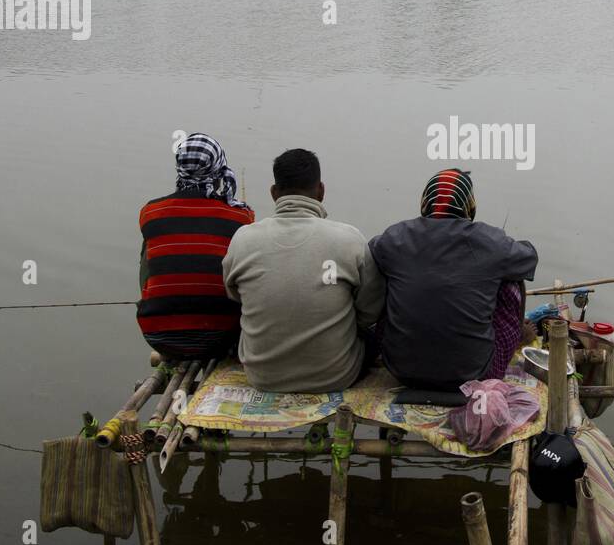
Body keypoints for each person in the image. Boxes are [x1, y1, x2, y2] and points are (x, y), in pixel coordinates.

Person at [222, 148, 385, 392]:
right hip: (335, 377)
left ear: (274, 193)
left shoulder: (243, 239)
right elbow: (370, 311)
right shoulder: (348, 239)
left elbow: (235, 294)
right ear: (320, 190)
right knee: (374, 336)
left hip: (263, 377)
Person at [370, 169, 538, 392]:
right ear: (470, 205)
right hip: (476, 374)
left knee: (383, 273)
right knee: (512, 281)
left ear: (424, 203)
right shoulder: (491, 240)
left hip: (401, 370)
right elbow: (528, 258)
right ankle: (514, 337)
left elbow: (369, 253)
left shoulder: (393, 238)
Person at [137, 133, 255, 360]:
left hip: (158, 334)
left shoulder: (150, 212)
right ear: (219, 166)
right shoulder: (241, 216)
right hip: (225, 336)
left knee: (150, 251)